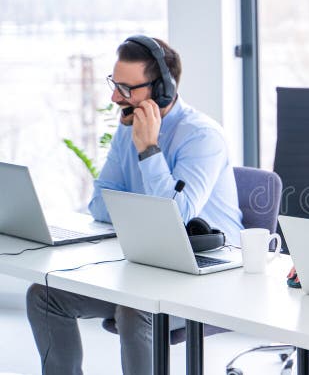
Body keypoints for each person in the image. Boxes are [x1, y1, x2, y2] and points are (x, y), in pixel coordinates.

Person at [26, 36, 244, 375]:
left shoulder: (202, 137)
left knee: (134, 310)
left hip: (208, 274)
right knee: (43, 296)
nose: (115, 97)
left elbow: (179, 217)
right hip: (148, 265)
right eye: (115, 85)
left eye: (126, 89)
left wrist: (149, 152)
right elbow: (99, 203)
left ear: (163, 91)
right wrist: (145, 215)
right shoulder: (125, 132)